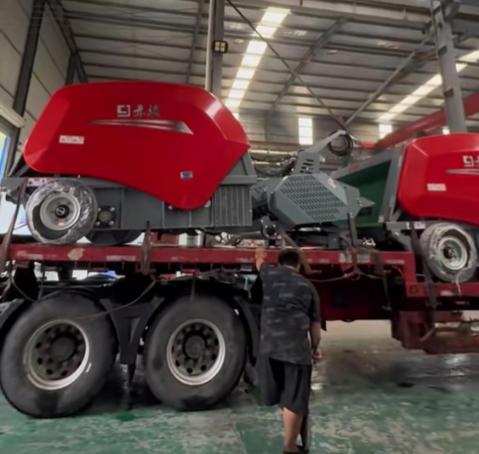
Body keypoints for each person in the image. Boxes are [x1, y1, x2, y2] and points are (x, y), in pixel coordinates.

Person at [255, 247, 321, 454]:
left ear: (279, 262)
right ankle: (290, 447)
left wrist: (259, 253)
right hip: (296, 352)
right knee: (295, 400)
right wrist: (315, 348)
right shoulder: (308, 286)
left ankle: (291, 421)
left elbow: (259, 263)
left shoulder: (268, 274)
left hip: (269, 348)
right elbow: (315, 327)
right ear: (298, 265)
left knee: (285, 397)